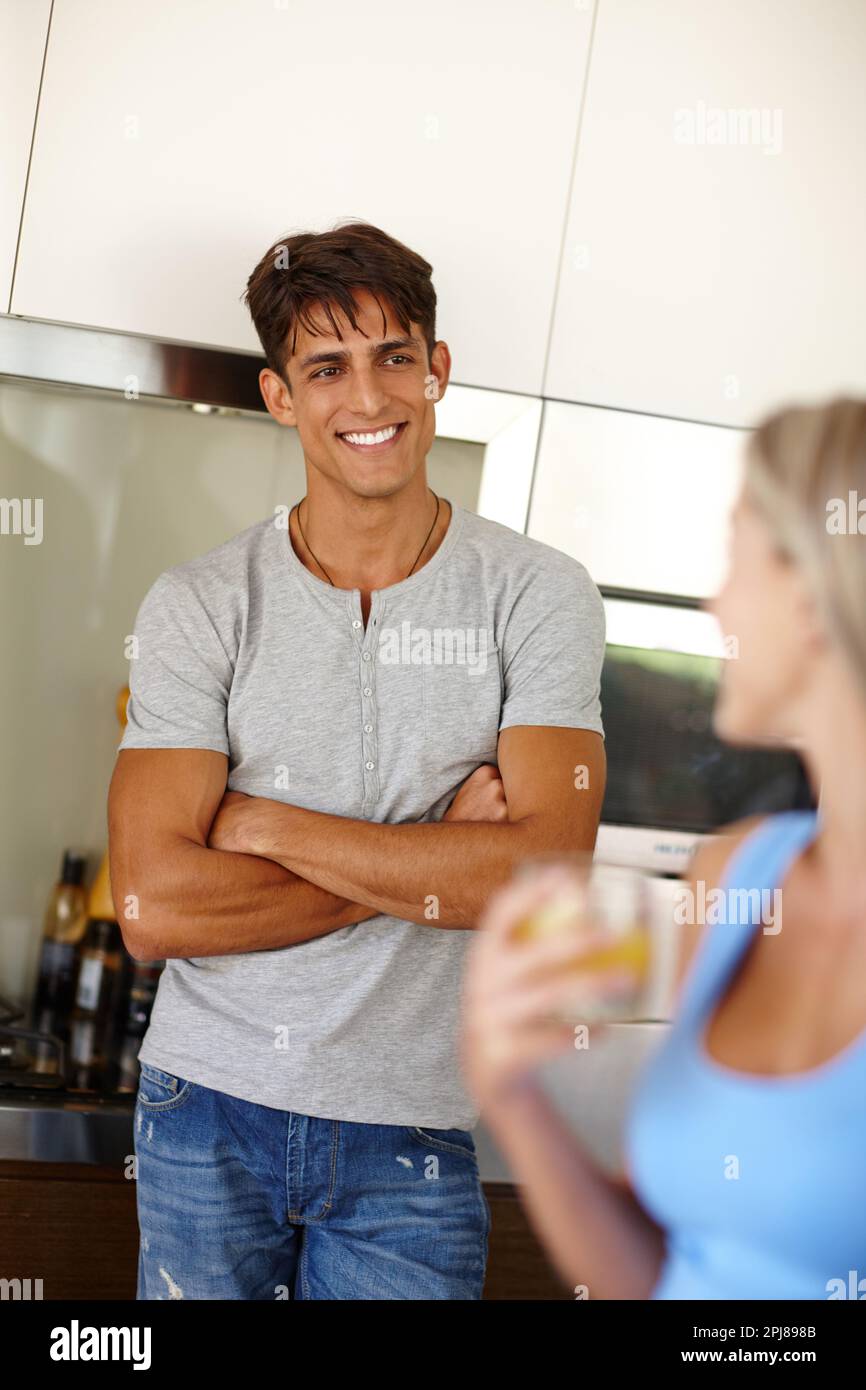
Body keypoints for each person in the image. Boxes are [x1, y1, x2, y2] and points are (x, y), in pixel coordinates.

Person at [108, 220, 607, 1300]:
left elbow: (541, 876)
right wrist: (437, 863)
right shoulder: (199, 604)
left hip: (411, 1130)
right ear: (280, 396)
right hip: (204, 1109)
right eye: (326, 367)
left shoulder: (537, 595)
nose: (367, 399)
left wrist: (267, 825)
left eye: (393, 356)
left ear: (436, 370)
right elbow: (151, 906)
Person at [461, 397, 866, 1300]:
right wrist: (513, 1093)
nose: (715, 598)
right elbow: (664, 1268)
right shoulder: (737, 875)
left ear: (810, 587)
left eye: (736, 553)